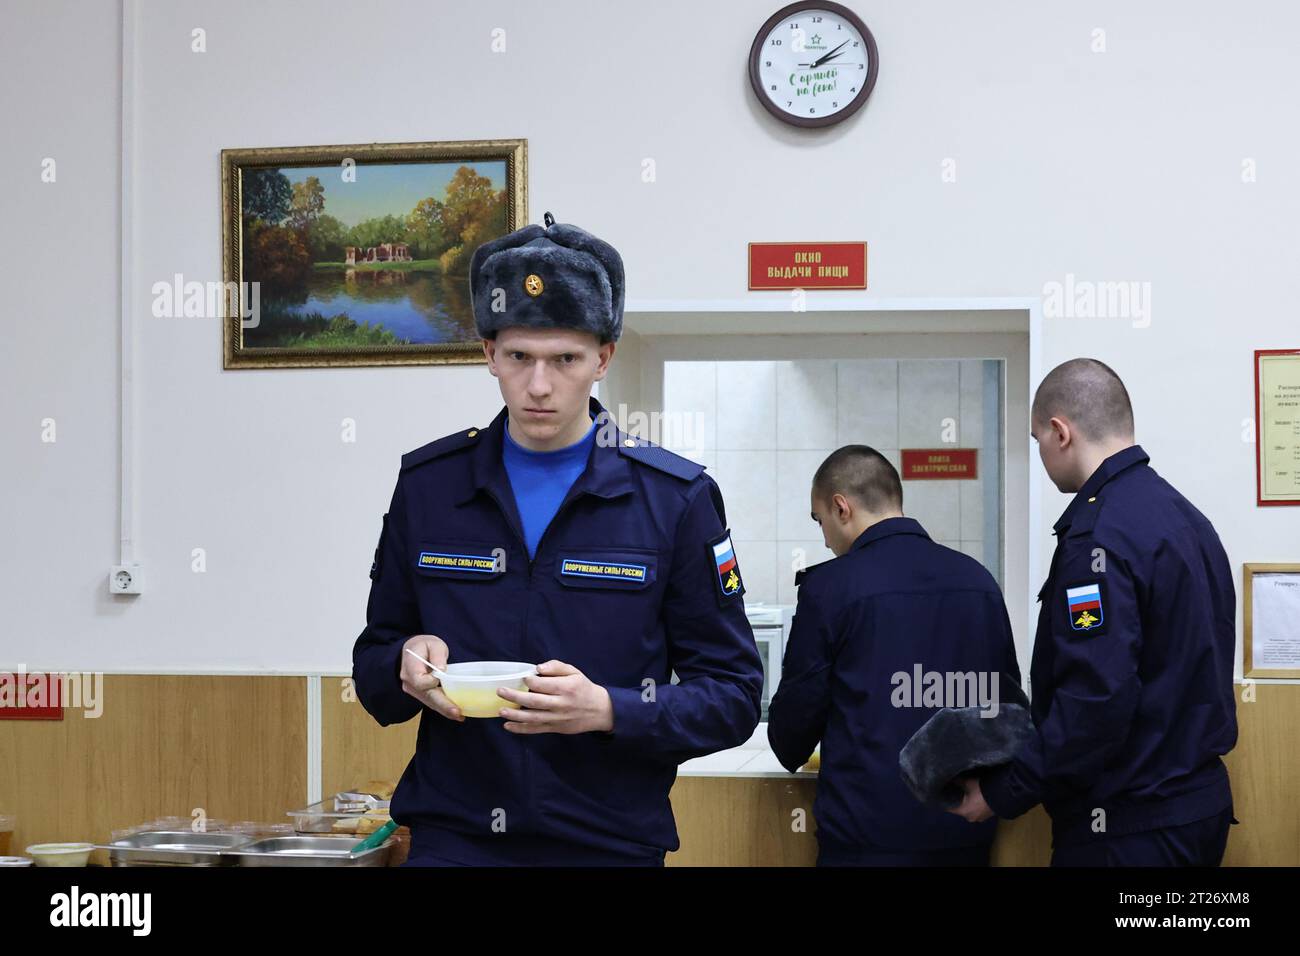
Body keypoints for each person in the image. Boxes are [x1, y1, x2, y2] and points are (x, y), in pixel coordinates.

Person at [351, 212, 763, 866]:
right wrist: (403, 664)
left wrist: (609, 710)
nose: (539, 385)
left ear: (603, 358)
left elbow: (735, 697)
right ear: (488, 353)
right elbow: (372, 666)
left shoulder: (673, 499)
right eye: (518, 357)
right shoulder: (429, 487)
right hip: (456, 841)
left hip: (606, 843)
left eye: (565, 359)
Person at [950, 358, 1238, 866]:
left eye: (1037, 438)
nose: (1039, 452)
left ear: (1060, 432)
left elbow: (1095, 700)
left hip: (1129, 827)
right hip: (1198, 812)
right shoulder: (1189, 519)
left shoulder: (1098, 538)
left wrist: (1004, 792)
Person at [767, 445, 1022, 866]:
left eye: (820, 521)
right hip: (963, 834)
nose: (824, 539)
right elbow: (1008, 714)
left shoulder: (829, 590)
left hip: (864, 841)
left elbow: (790, 737)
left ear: (840, 506)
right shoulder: (978, 581)